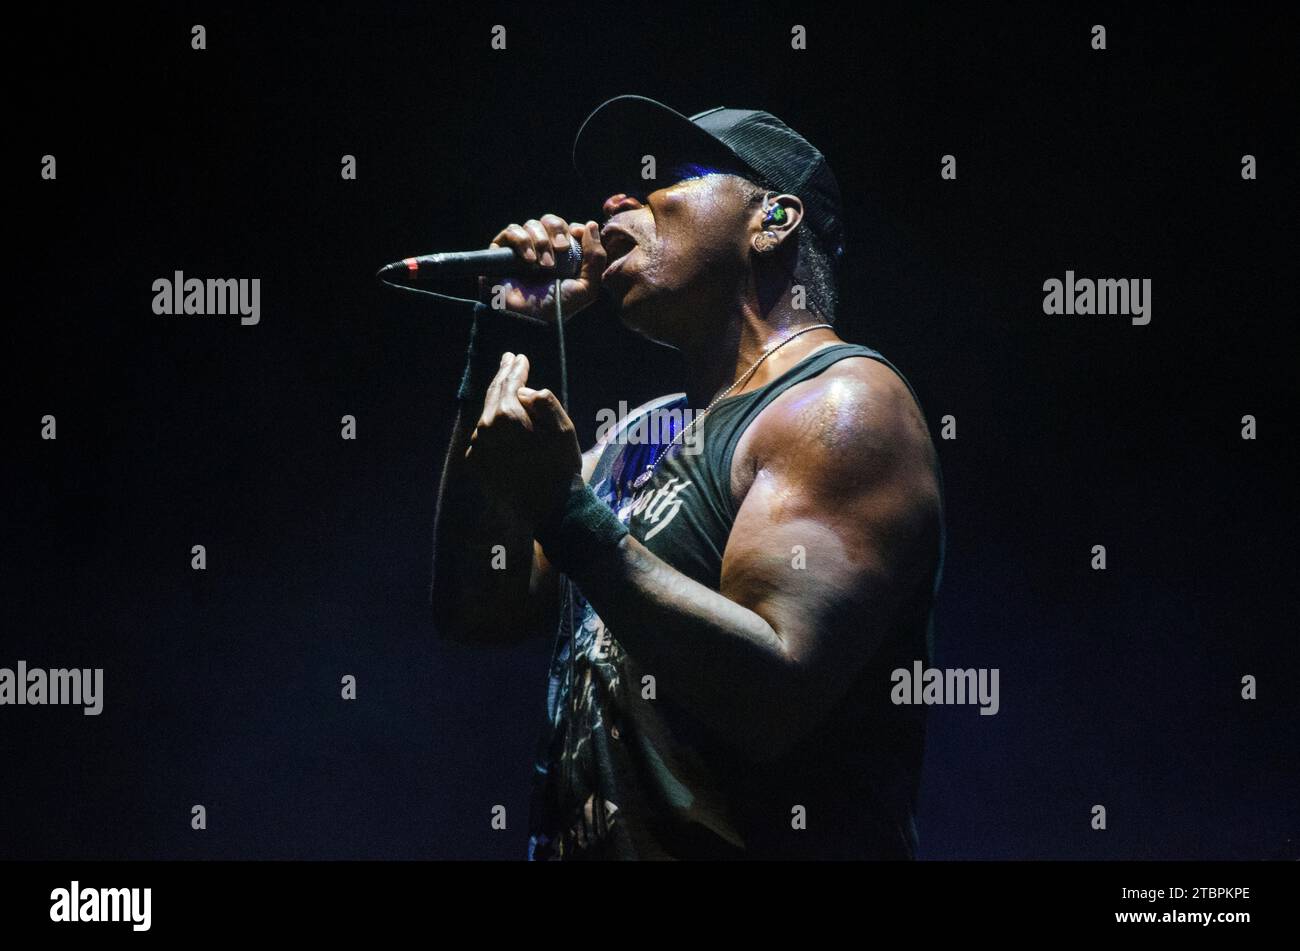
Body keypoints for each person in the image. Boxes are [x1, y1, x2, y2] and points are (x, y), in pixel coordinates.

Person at [431, 95, 945, 859]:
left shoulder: (843, 404)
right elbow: (475, 608)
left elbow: (773, 695)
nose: (614, 201)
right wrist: (501, 330)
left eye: (661, 178)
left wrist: (570, 518)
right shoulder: (639, 435)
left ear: (771, 219)